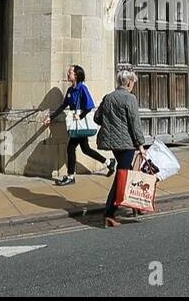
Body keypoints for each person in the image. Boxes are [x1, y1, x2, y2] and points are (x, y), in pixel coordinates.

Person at [94, 69, 149, 229]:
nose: (133, 86)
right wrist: (141, 145)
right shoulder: (130, 98)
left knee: (128, 173)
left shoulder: (108, 97)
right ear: (129, 82)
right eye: (133, 83)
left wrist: (111, 122)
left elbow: (97, 117)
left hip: (112, 143)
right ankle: (109, 213)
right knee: (122, 177)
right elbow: (135, 124)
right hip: (126, 144)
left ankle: (136, 205)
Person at [45, 65, 116, 186]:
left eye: (70, 72)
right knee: (85, 149)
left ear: (76, 75)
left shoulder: (82, 88)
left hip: (80, 123)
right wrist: (51, 117)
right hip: (77, 125)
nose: (68, 74)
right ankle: (108, 162)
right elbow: (63, 106)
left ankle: (71, 176)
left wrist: (80, 116)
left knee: (71, 148)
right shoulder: (70, 91)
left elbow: (89, 106)